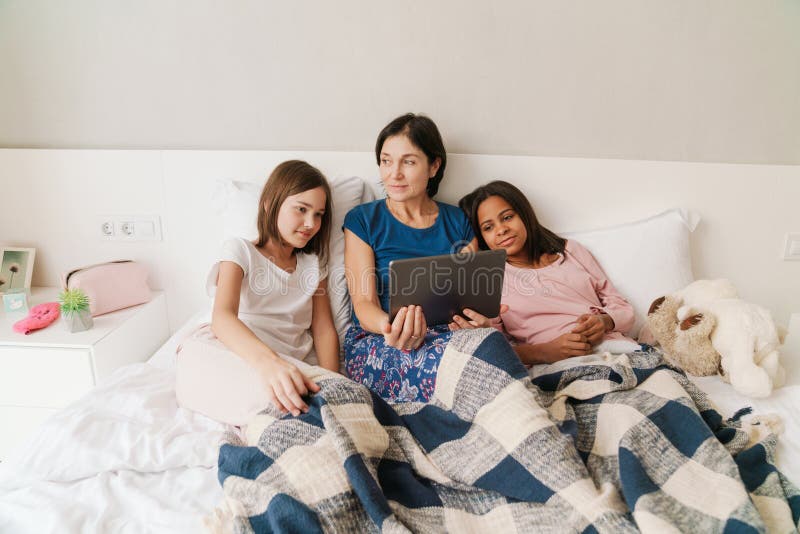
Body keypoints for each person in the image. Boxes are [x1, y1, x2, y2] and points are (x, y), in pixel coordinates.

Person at [175, 160, 339, 425]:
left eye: (318, 214)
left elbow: (323, 329)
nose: (311, 223)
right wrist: (268, 364)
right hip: (239, 353)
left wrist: (335, 385)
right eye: (301, 209)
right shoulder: (240, 250)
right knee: (194, 357)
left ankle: (285, 413)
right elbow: (223, 317)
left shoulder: (313, 264)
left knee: (306, 398)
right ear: (269, 204)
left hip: (288, 363)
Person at [343, 113, 476, 402]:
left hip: (450, 338)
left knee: (489, 349)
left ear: (434, 166)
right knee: (463, 372)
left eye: (409, 161)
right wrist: (391, 329)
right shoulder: (363, 220)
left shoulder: (459, 221)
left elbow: (473, 298)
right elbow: (363, 303)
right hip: (380, 340)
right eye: (386, 160)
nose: (394, 173)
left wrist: (478, 321)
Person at [456, 180, 637, 365]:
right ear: (481, 238)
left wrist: (605, 321)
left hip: (617, 350)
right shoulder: (489, 279)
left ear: (524, 214)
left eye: (508, 217)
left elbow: (623, 308)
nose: (501, 230)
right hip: (556, 367)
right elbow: (495, 350)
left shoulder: (570, 251)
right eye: (488, 227)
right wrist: (544, 352)